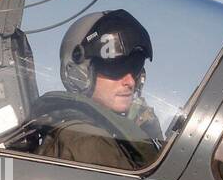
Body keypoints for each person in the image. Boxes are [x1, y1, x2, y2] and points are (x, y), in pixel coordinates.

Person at [33, 9, 163, 170]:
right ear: (80, 72)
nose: (130, 82)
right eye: (116, 67)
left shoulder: (118, 137)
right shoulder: (88, 140)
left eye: (135, 67)